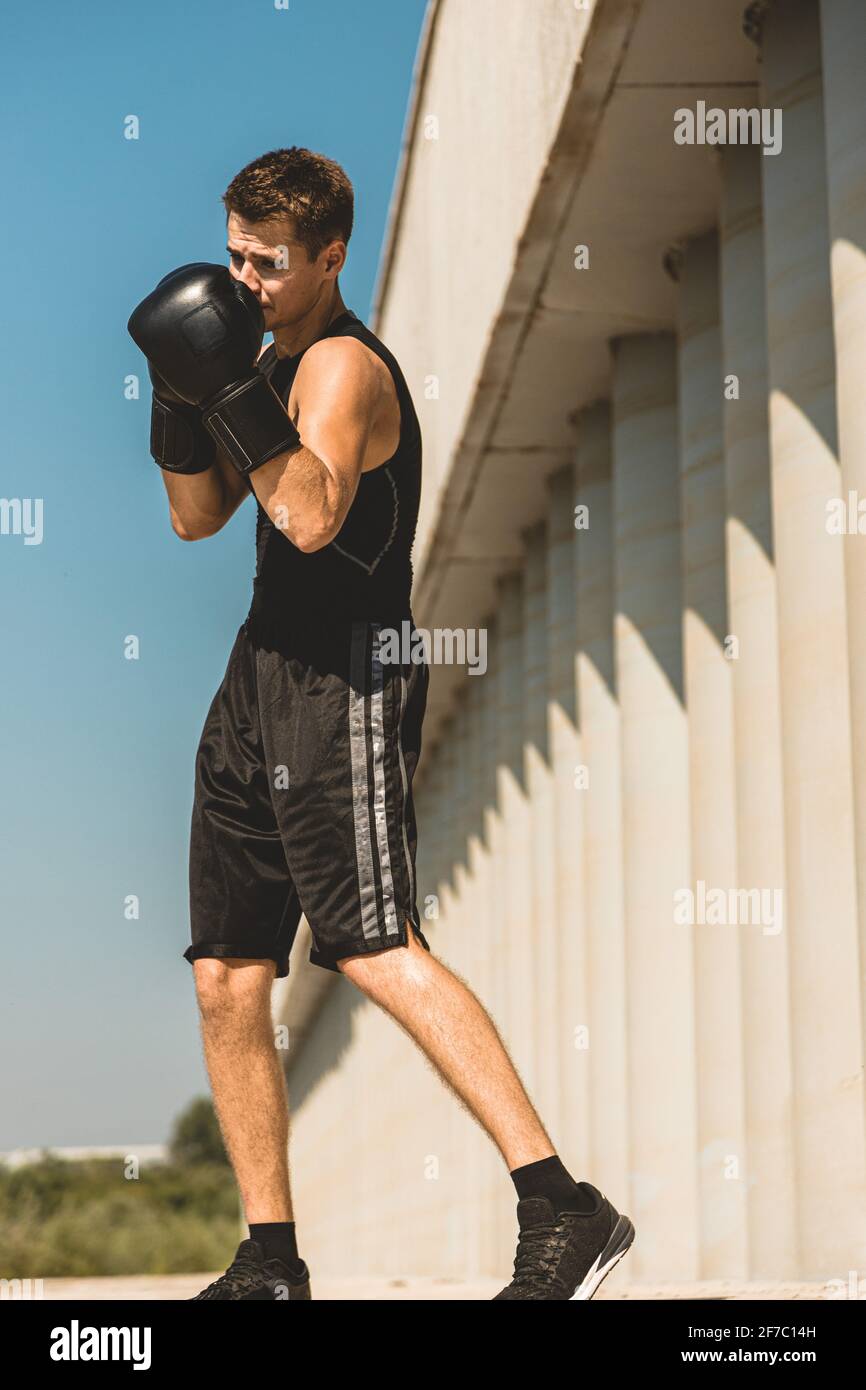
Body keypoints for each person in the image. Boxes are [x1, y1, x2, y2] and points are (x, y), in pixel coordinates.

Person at [127, 146, 634, 1301]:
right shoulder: (255, 356)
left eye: (267, 262)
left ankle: (562, 1204)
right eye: (235, 256)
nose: (243, 278)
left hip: (342, 678)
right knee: (223, 973)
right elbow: (195, 522)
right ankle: (269, 1263)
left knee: (370, 943)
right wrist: (179, 391)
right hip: (257, 676)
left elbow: (306, 516)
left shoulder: (345, 370)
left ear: (330, 258)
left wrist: (234, 387)